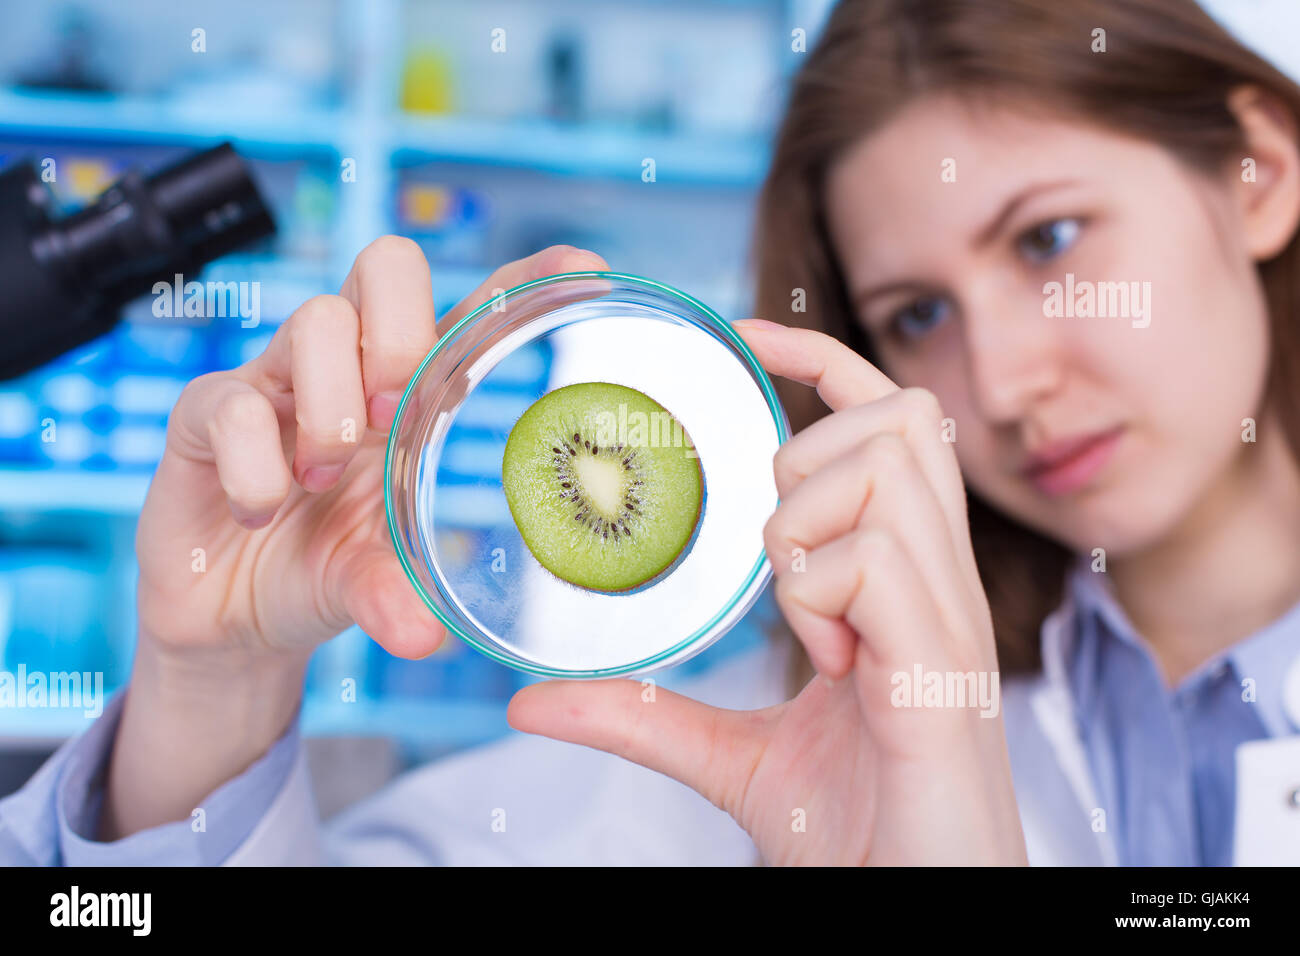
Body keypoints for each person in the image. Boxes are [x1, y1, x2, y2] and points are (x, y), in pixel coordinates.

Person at [4, 0, 1300, 866]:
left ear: (1260, 173)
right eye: (914, 314)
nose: (1002, 383)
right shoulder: (748, 745)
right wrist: (213, 691)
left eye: (1050, 239)